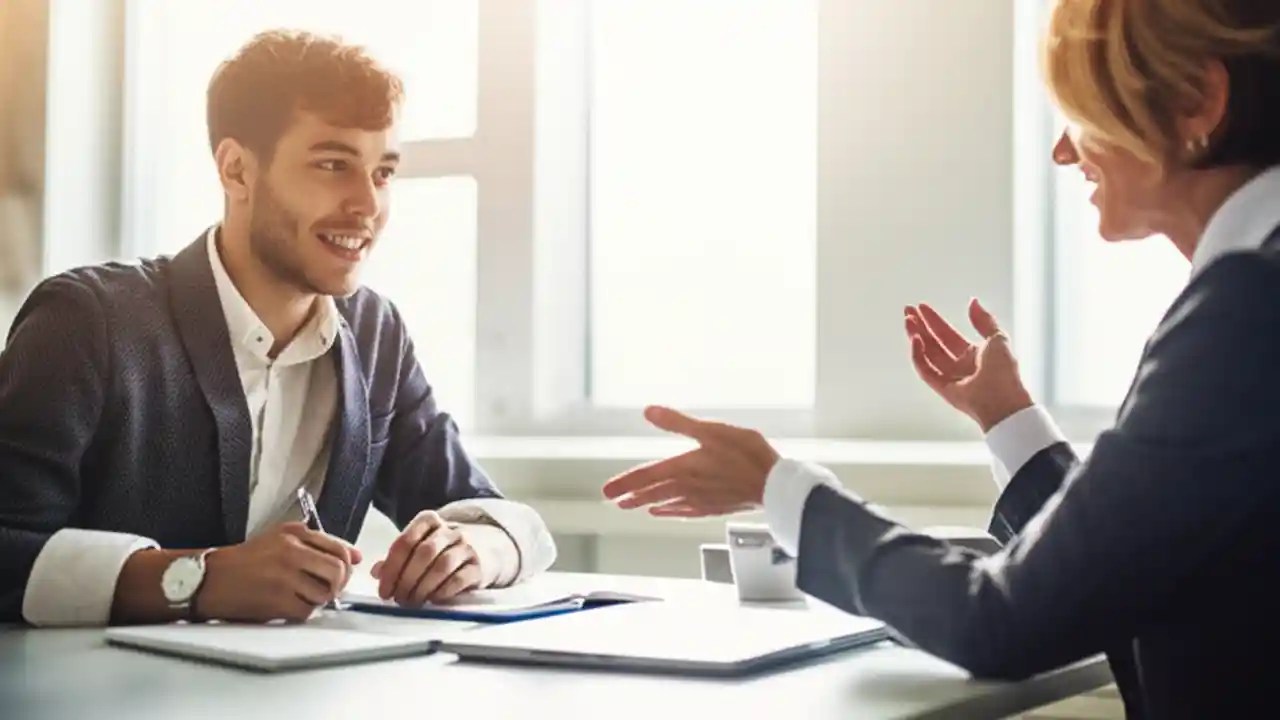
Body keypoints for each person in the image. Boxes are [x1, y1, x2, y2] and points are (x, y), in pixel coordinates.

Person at [603, 1, 1280, 716]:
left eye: (1086, 111)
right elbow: (1123, 574)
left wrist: (777, 486)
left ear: (1199, 100)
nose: (1062, 151)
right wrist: (1010, 423)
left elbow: (1002, 621)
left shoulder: (1249, 304)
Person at [0, 30, 555, 627]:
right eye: (333, 164)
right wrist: (199, 579)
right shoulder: (87, 321)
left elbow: (490, 512)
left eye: (384, 172)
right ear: (236, 170)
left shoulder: (374, 334)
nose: (368, 205)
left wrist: (482, 549)